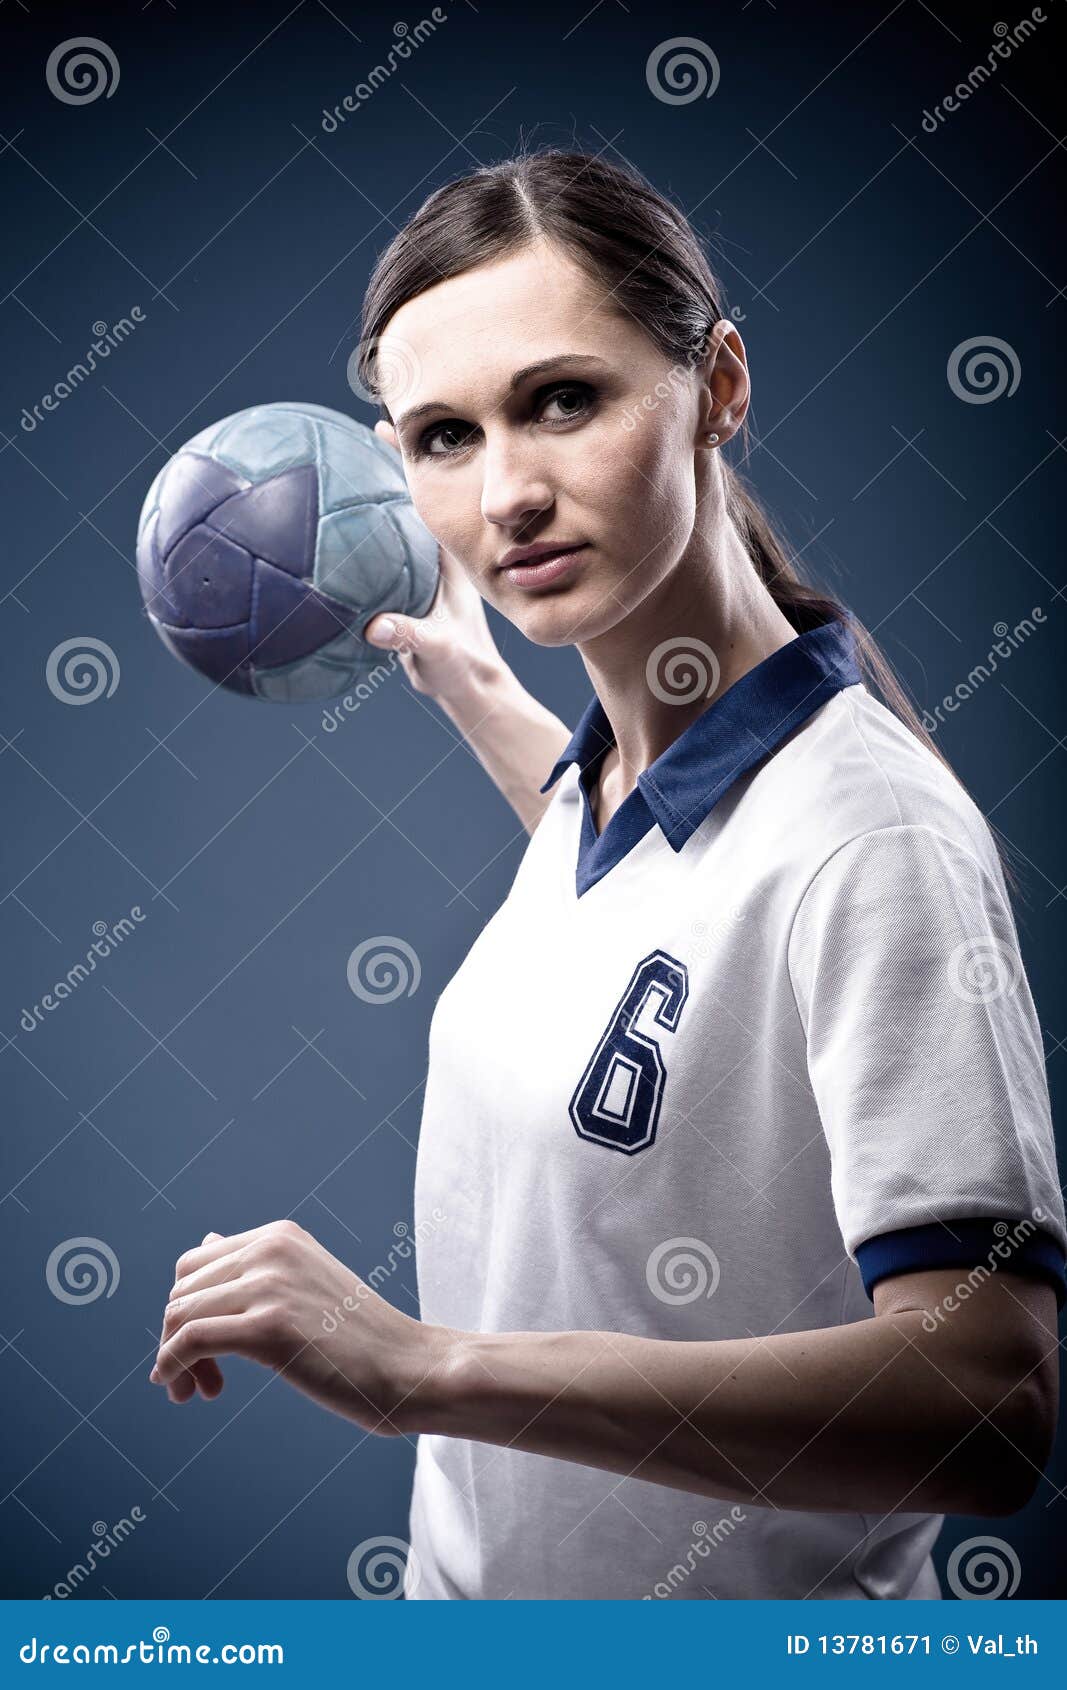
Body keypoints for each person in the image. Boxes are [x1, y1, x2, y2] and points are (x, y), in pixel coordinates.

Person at [150, 149, 1065, 1601]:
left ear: (718, 385)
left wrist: (423, 1367)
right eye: (443, 438)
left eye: (562, 400)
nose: (508, 492)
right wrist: (478, 693)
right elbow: (666, 923)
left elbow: (991, 1404)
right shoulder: (605, 790)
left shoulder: (870, 839)